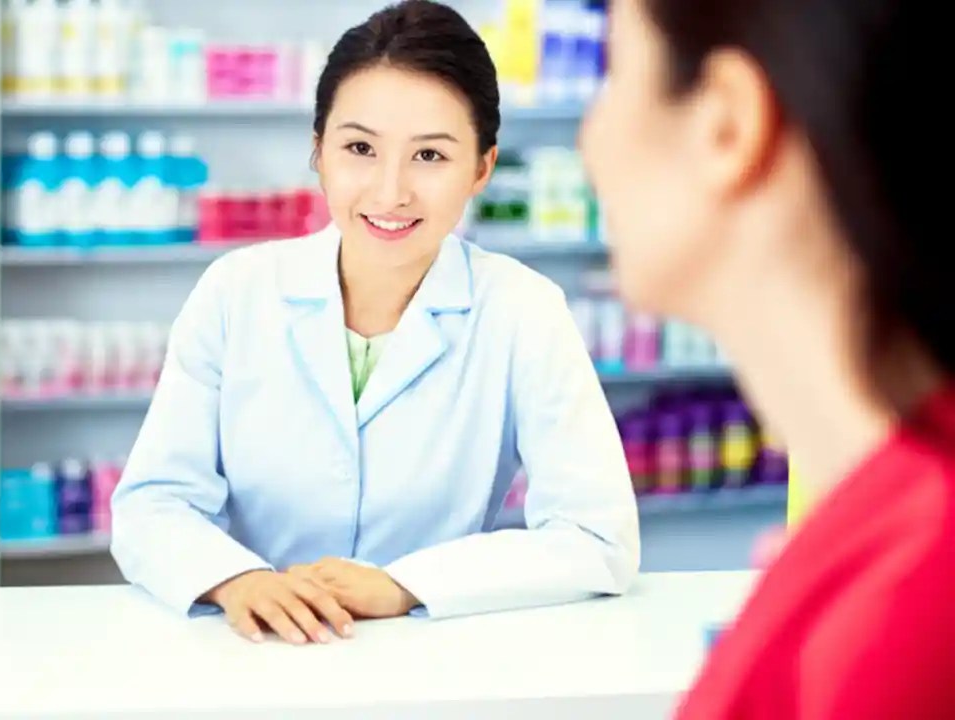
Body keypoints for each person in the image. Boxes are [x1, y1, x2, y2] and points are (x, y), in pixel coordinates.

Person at [110, 0, 639, 645]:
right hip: (257, 645)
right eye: (360, 148)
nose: (390, 192)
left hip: (431, 648)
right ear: (319, 150)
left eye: (430, 155)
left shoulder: (523, 310)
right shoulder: (236, 292)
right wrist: (237, 580)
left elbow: (596, 537)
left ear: (482, 168)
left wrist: (406, 585)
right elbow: (152, 504)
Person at [582, 0, 953, 716]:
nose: (591, 141)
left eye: (616, 72)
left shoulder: (908, 620)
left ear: (727, 124)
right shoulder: (887, 535)